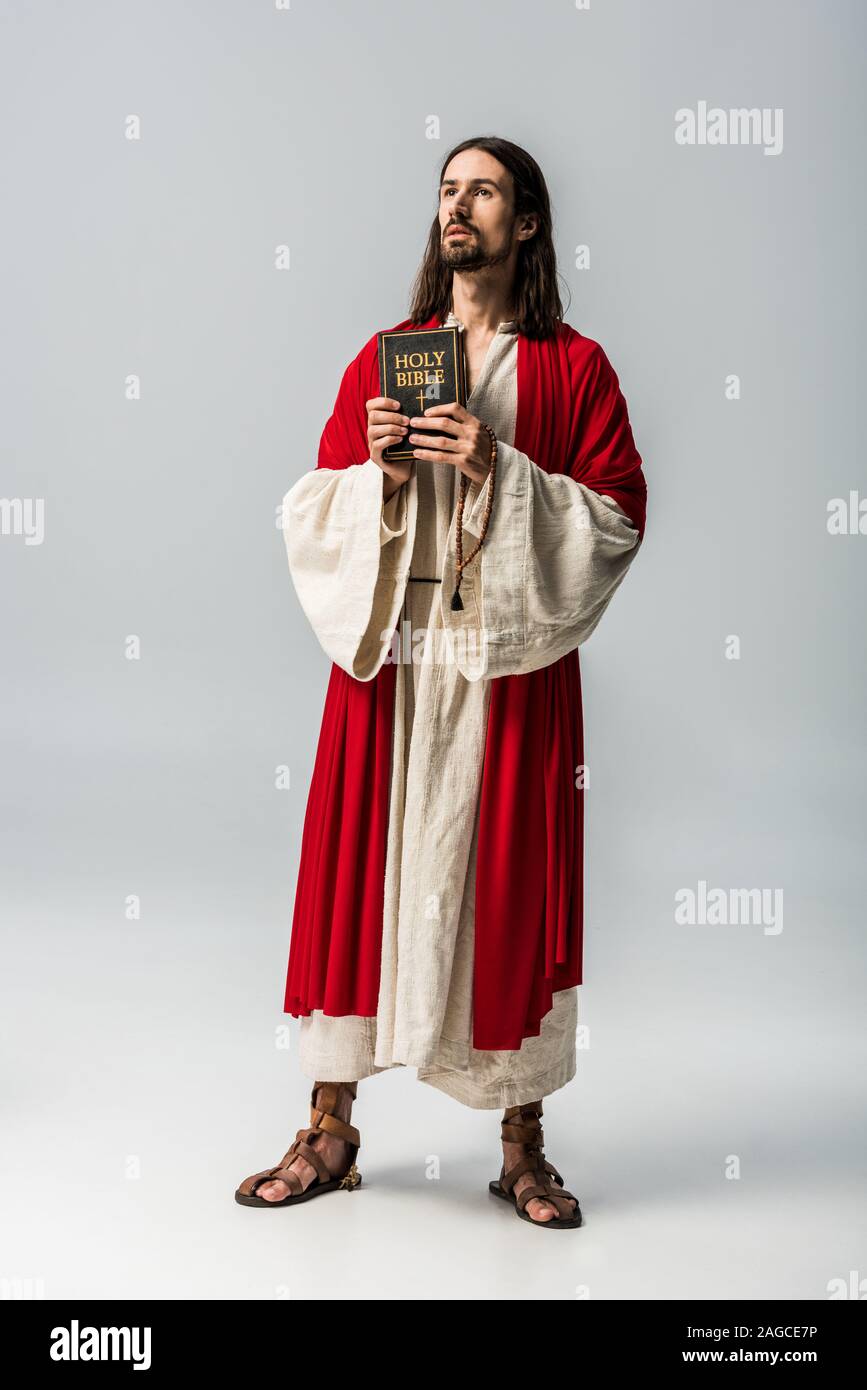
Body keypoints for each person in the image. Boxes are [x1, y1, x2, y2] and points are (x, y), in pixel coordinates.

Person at [235, 135, 648, 1228]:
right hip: (396, 656)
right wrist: (372, 471)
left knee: (508, 880)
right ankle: (329, 1124)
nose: (458, 206)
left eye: (484, 191)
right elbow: (305, 508)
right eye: (448, 190)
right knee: (361, 876)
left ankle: (523, 1142)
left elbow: (615, 518)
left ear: (526, 225)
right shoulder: (387, 357)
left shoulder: (576, 369)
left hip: (504, 661)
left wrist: (497, 471)